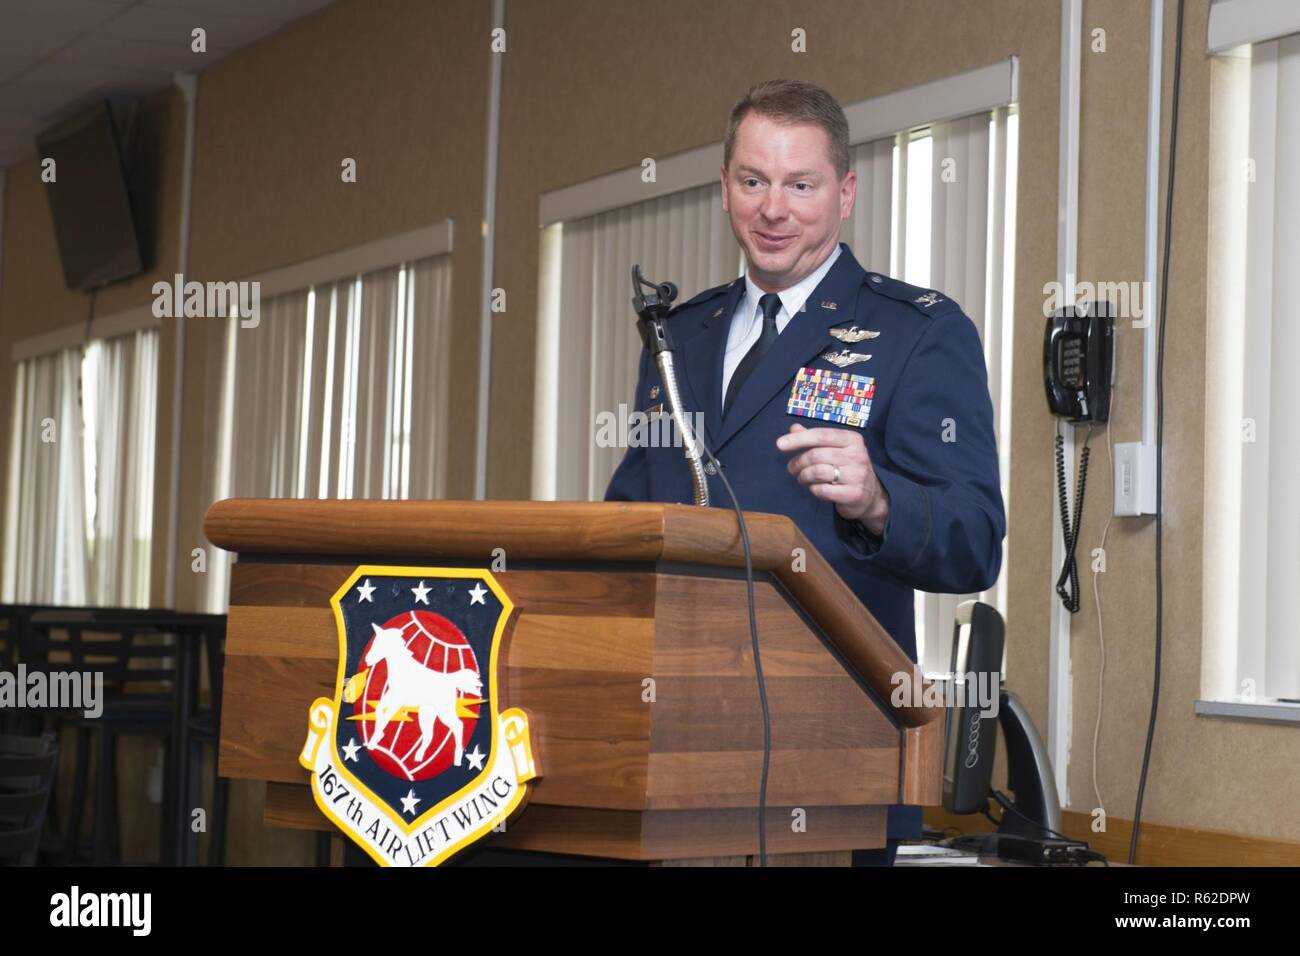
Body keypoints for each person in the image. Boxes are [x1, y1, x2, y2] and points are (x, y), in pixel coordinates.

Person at [605, 79, 1006, 866]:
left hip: (830, 748)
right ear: (725, 188)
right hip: (674, 744)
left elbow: (975, 543)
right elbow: (633, 516)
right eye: (753, 181)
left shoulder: (915, 334)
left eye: (801, 184)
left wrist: (881, 501)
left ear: (846, 192)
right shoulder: (677, 338)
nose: (773, 208)